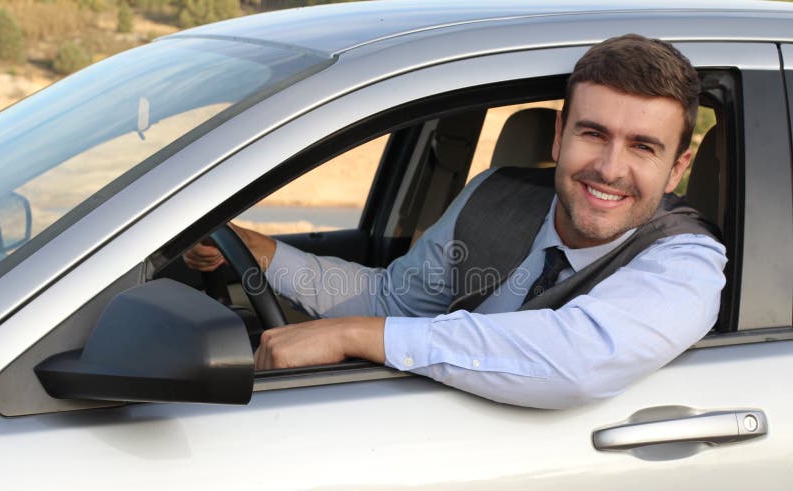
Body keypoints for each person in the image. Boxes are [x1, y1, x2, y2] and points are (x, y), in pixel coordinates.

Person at [184, 34, 727, 409]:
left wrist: (355, 336)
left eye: (642, 147)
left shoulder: (686, 261)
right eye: (593, 134)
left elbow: (576, 357)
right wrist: (264, 253)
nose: (610, 168)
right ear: (559, 135)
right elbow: (391, 303)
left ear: (677, 166)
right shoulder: (493, 196)